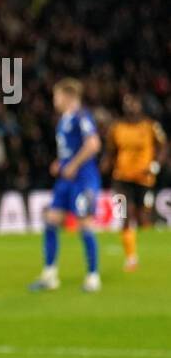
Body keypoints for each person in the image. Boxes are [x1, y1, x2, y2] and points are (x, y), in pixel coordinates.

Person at [30, 78, 102, 293]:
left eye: (57, 96)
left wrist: (73, 164)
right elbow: (72, 148)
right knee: (51, 221)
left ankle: (92, 276)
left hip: (83, 180)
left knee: (84, 225)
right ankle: (50, 274)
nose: (54, 100)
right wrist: (60, 163)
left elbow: (94, 144)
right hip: (65, 181)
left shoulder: (82, 116)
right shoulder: (64, 119)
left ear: (68, 96)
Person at [105, 92, 166, 272]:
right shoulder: (116, 128)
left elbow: (163, 146)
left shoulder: (150, 126)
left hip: (144, 179)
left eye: (133, 102)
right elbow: (110, 150)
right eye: (127, 102)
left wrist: (156, 164)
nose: (130, 106)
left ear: (140, 105)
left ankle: (149, 256)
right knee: (124, 215)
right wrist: (105, 163)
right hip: (121, 179)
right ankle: (131, 258)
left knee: (143, 217)